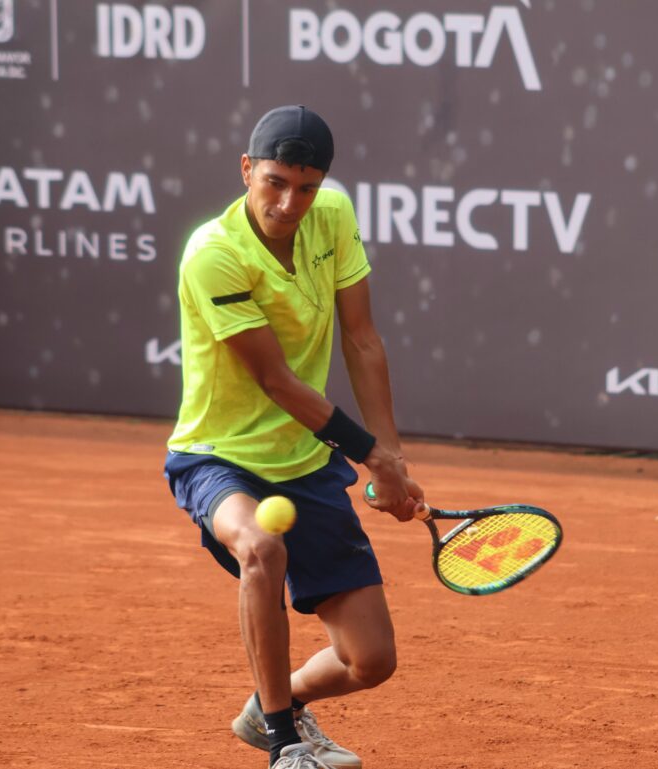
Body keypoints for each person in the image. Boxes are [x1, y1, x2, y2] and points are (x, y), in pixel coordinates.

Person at [163, 105, 425, 769]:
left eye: (306, 187)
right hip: (216, 456)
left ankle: (272, 706)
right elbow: (277, 380)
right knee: (261, 546)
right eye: (274, 181)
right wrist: (366, 451)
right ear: (247, 169)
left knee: (371, 660)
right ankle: (284, 746)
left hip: (304, 462)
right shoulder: (213, 254)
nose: (289, 202)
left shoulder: (332, 217)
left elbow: (363, 339)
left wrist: (390, 458)